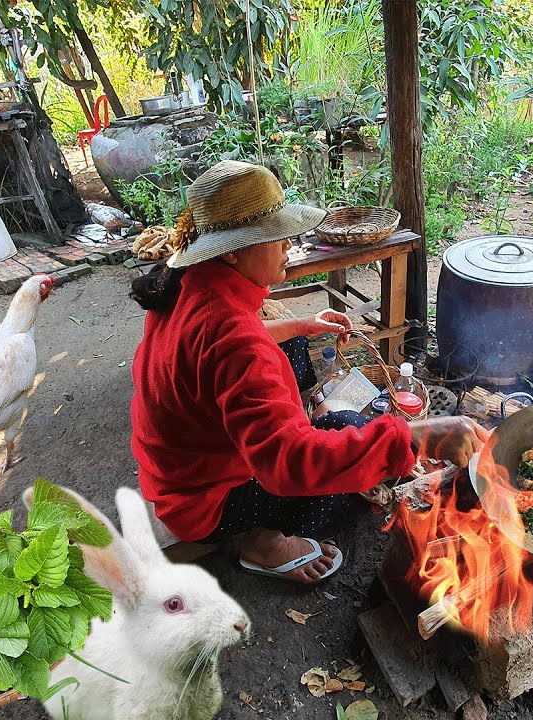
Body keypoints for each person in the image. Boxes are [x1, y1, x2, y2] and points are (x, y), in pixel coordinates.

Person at [130, 160, 487, 585]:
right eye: (276, 237)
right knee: (347, 461)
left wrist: (304, 325)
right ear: (232, 251)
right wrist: (419, 435)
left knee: (298, 351)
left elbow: (220, 345)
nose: (288, 245)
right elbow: (288, 465)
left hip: (178, 469)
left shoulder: (188, 286)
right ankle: (260, 543)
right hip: (204, 501)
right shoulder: (233, 341)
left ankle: (303, 438)